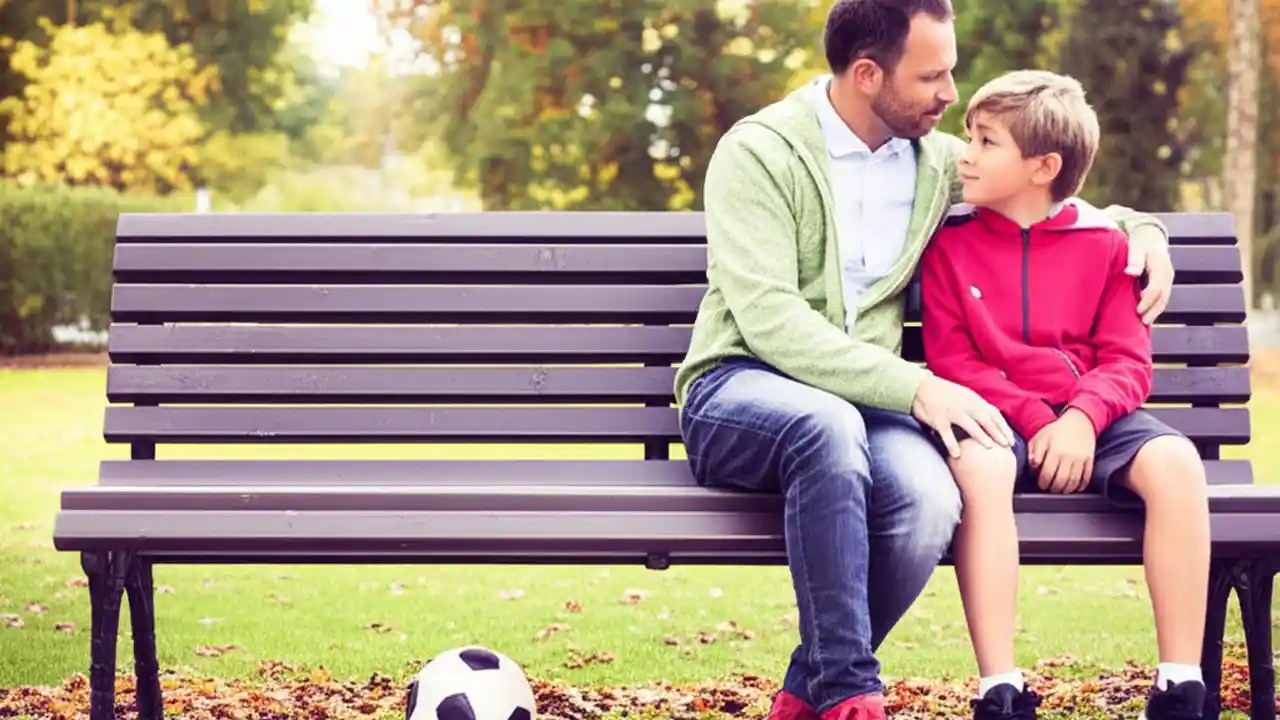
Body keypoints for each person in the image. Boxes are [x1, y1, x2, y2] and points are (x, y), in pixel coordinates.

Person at [673, 1, 1177, 719]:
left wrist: (1144, 231)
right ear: (869, 74)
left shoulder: (939, 162)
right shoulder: (759, 152)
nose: (949, 95)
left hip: (869, 404)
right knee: (824, 427)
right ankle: (851, 691)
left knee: (931, 501)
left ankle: (803, 690)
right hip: (742, 388)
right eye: (933, 76)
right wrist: (917, 387)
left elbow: (1052, 194)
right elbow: (769, 321)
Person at [919, 69, 1210, 720]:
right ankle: (1000, 687)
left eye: (986, 140)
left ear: (1042, 166)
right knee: (981, 466)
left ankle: (1179, 684)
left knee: (1176, 464)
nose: (965, 152)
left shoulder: (1108, 247)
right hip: (995, 413)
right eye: (969, 135)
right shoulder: (949, 248)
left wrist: (1080, 418)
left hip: (1093, 414)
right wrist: (1030, 417)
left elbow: (1128, 361)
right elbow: (952, 360)